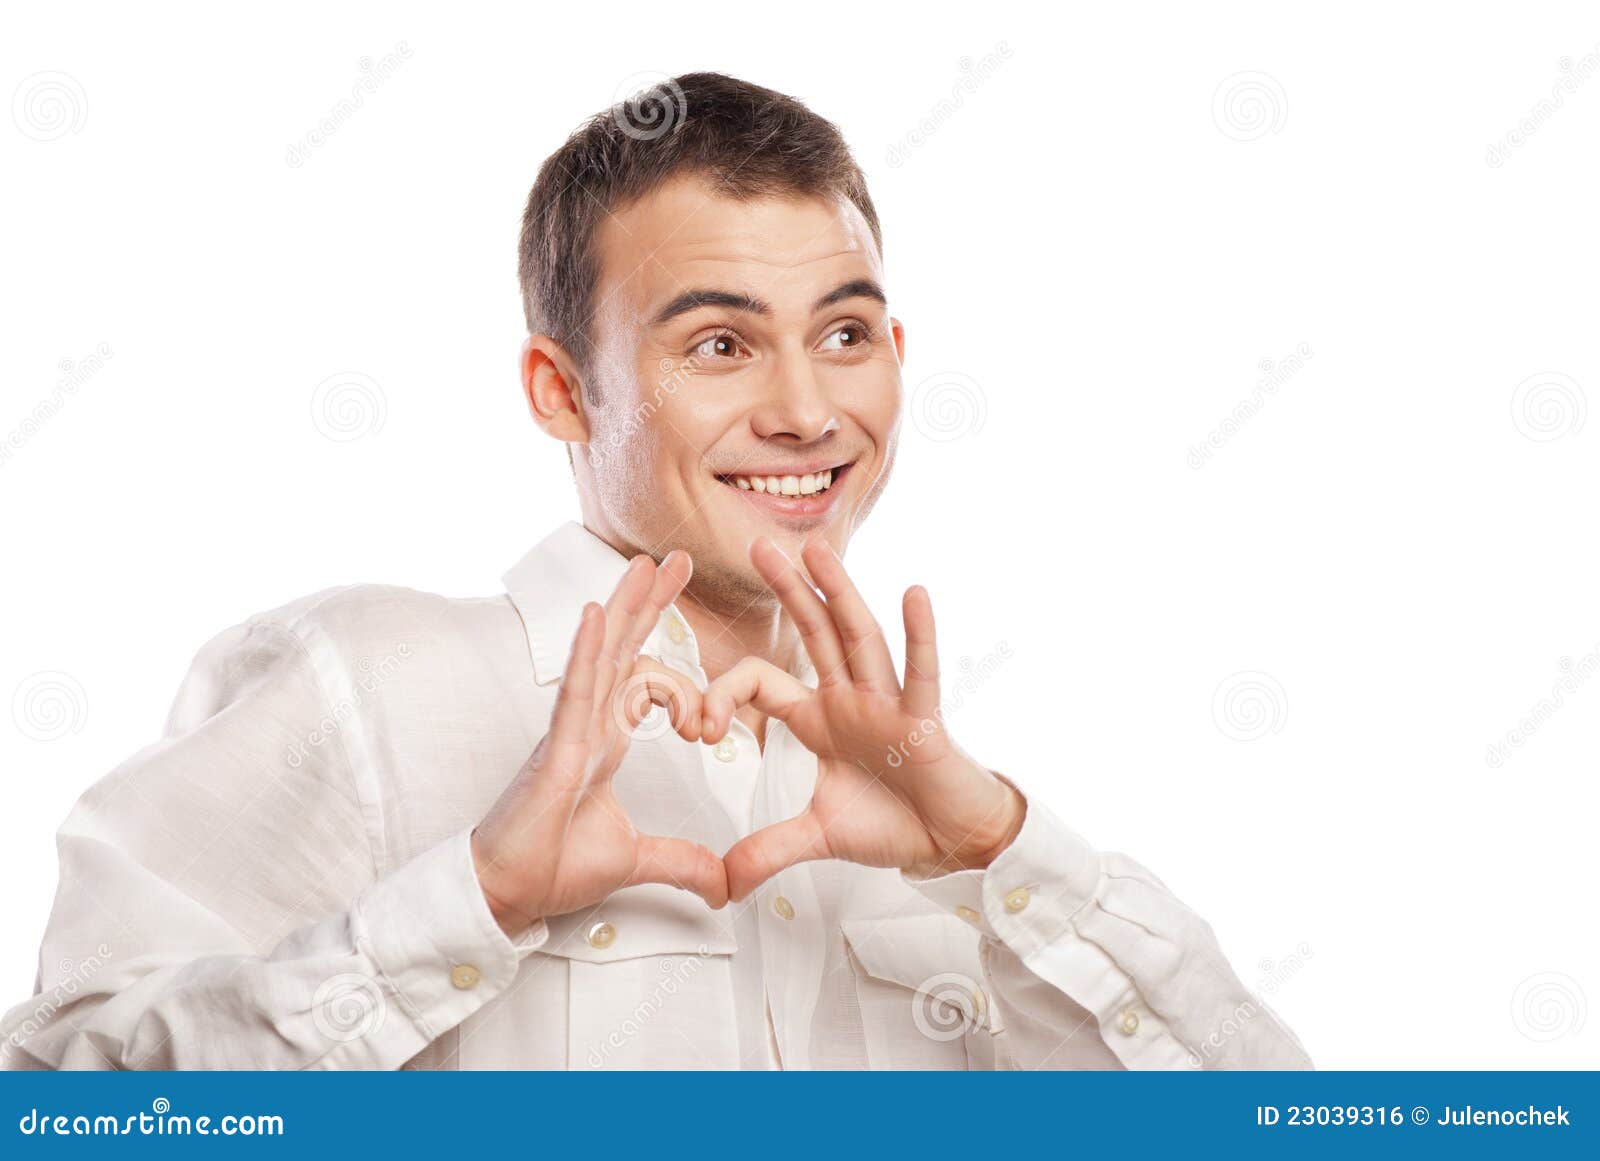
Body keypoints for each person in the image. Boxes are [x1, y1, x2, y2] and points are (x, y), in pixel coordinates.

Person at [1, 72, 1310, 1070]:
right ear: (562, 391)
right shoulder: (368, 685)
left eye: (844, 332)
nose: (808, 409)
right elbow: (61, 1095)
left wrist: (999, 849)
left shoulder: (935, 804)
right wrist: (469, 902)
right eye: (721, 346)